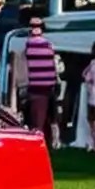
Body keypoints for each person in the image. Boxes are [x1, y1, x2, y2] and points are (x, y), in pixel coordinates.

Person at [24, 17, 59, 149]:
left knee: (37, 121)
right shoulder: (48, 44)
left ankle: (38, 146)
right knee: (50, 119)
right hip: (49, 86)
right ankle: (50, 143)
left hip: (35, 88)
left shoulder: (28, 44)